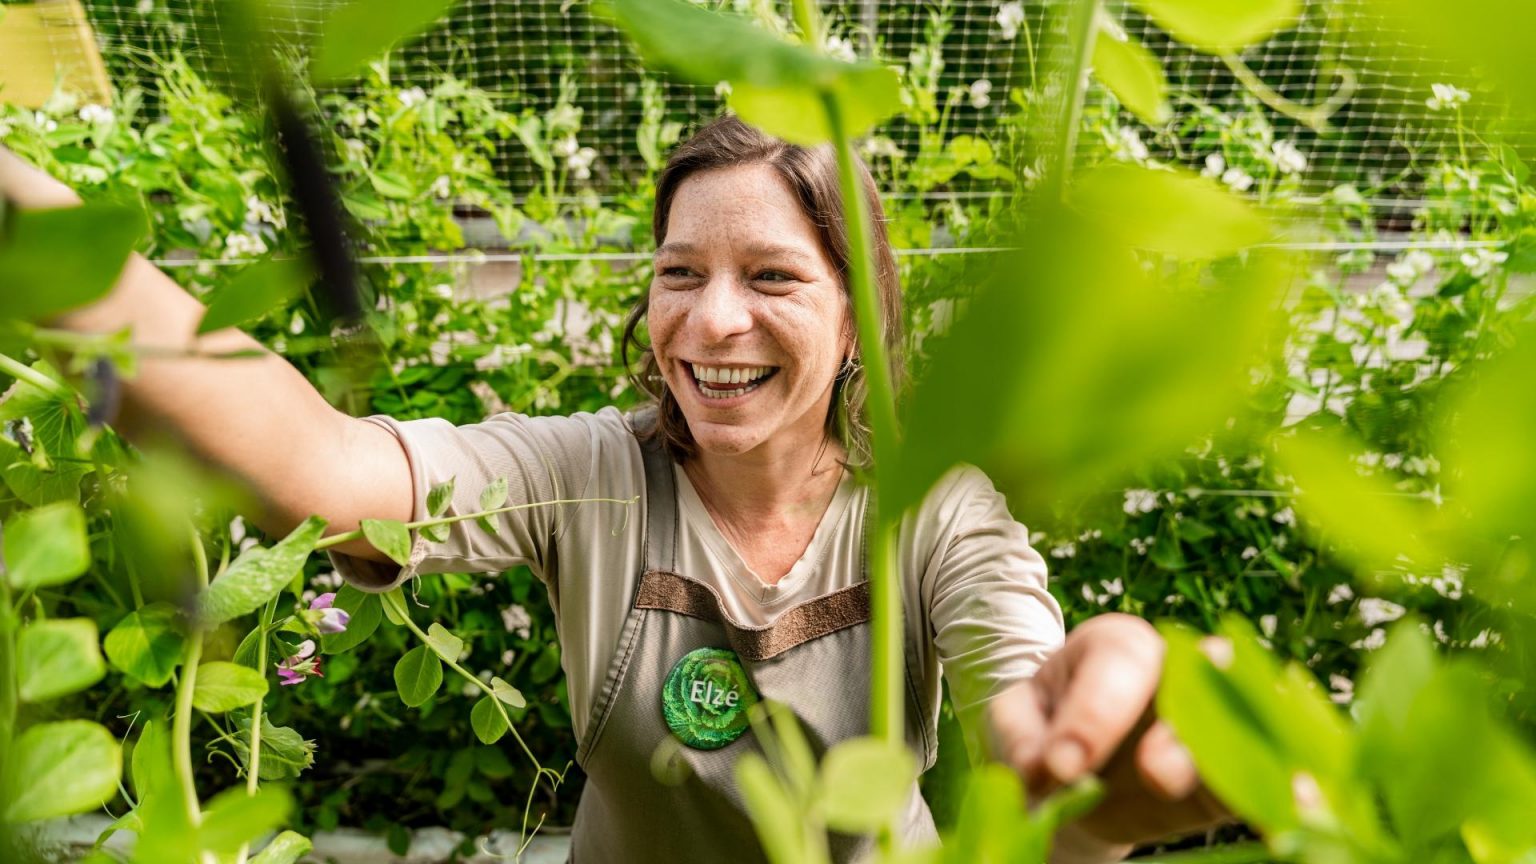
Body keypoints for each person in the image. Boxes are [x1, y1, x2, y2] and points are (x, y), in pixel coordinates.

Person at [0, 116, 1225, 862]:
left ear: (857, 320)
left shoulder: (934, 509)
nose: (713, 316)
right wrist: (25, 224)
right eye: (679, 270)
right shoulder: (591, 472)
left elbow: (1039, 730)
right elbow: (321, 467)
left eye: (774, 276)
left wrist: (1093, 771)